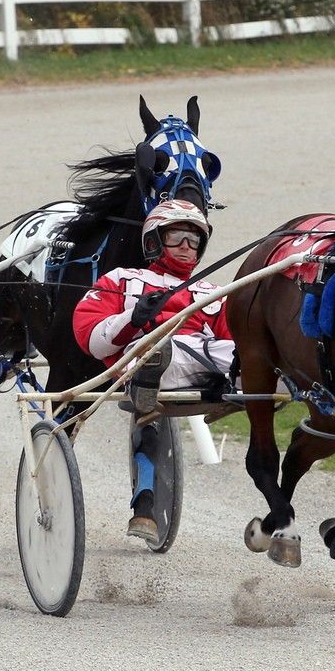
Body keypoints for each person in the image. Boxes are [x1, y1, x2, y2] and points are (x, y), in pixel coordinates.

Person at [72, 199, 235, 542]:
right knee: (156, 351)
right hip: (145, 354)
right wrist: (132, 319)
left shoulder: (213, 292)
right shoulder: (120, 280)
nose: (186, 246)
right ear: (153, 242)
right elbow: (91, 339)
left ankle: (243, 381)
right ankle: (150, 376)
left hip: (203, 362)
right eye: (176, 237)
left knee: (248, 355)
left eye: (194, 239)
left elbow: (231, 338)